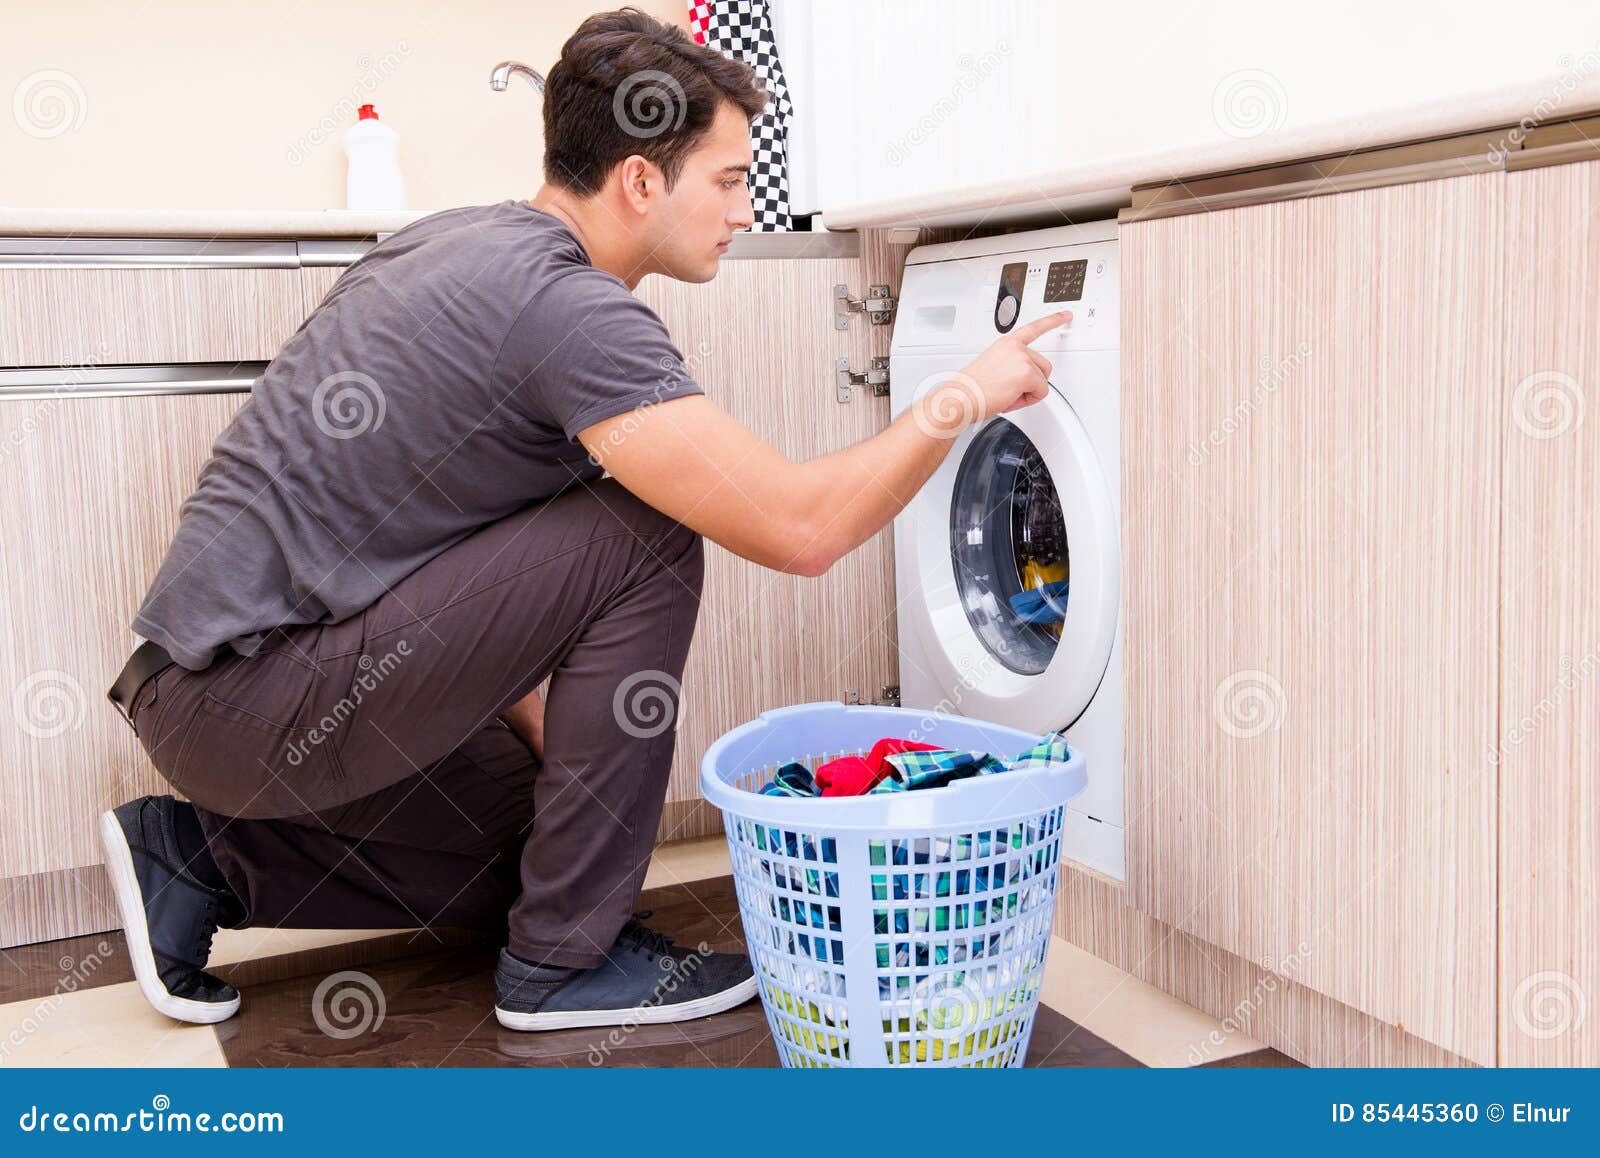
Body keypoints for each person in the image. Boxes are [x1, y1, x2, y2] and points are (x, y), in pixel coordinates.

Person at [101, 6, 1069, 1033]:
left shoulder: (457, 242)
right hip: (254, 697)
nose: (742, 210)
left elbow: (466, 556)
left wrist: (564, 799)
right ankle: (561, 968)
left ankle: (199, 858)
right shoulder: (569, 314)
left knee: (544, 856)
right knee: (645, 531)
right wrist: (963, 396)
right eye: (730, 180)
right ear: (640, 181)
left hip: (214, 694)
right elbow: (799, 529)